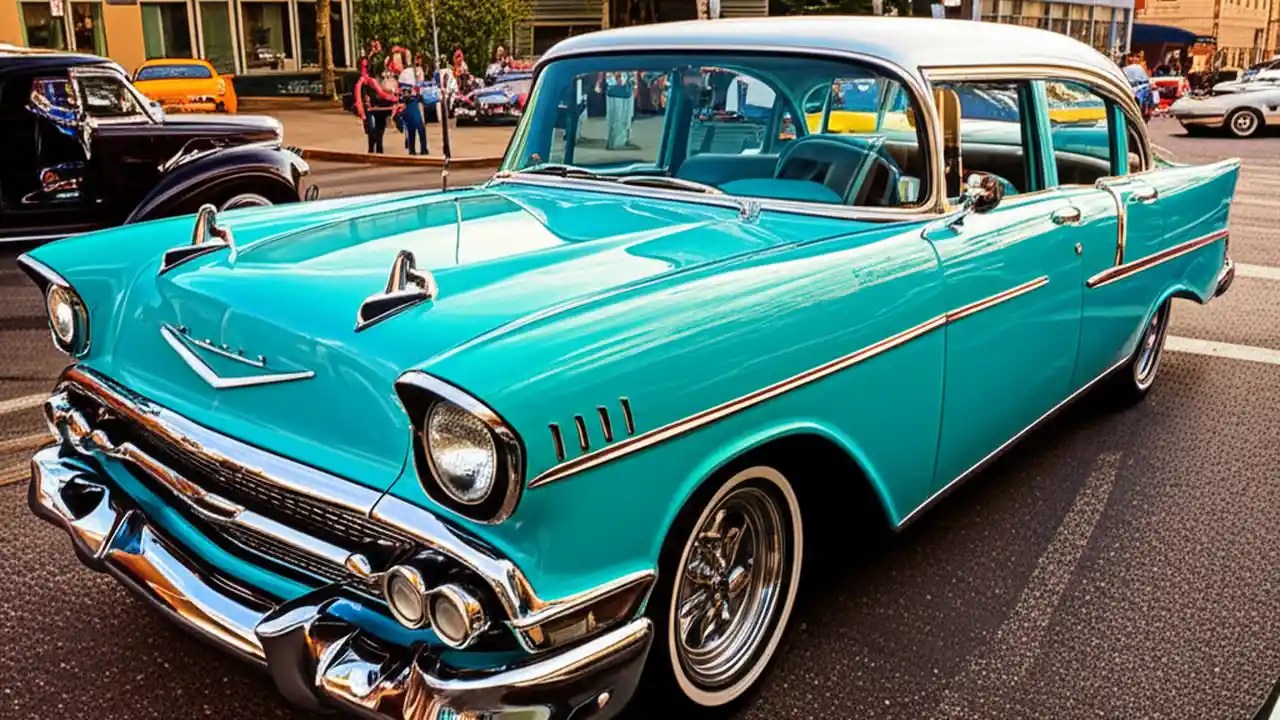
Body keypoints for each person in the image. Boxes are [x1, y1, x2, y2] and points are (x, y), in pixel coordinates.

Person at [355, 57, 397, 154]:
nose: (363, 69)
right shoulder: (359, 81)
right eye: (362, 67)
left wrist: (392, 98)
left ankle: (379, 153)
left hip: (377, 108)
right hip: (368, 109)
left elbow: (381, 93)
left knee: (378, 134)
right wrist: (361, 113)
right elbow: (358, 97)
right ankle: (372, 152)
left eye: (365, 67)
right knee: (371, 133)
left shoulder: (371, 80)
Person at [598, 71, 637, 150]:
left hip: (625, 87)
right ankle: (615, 143)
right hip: (615, 86)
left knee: (624, 116)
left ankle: (619, 141)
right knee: (617, 116)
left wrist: (635, 84)